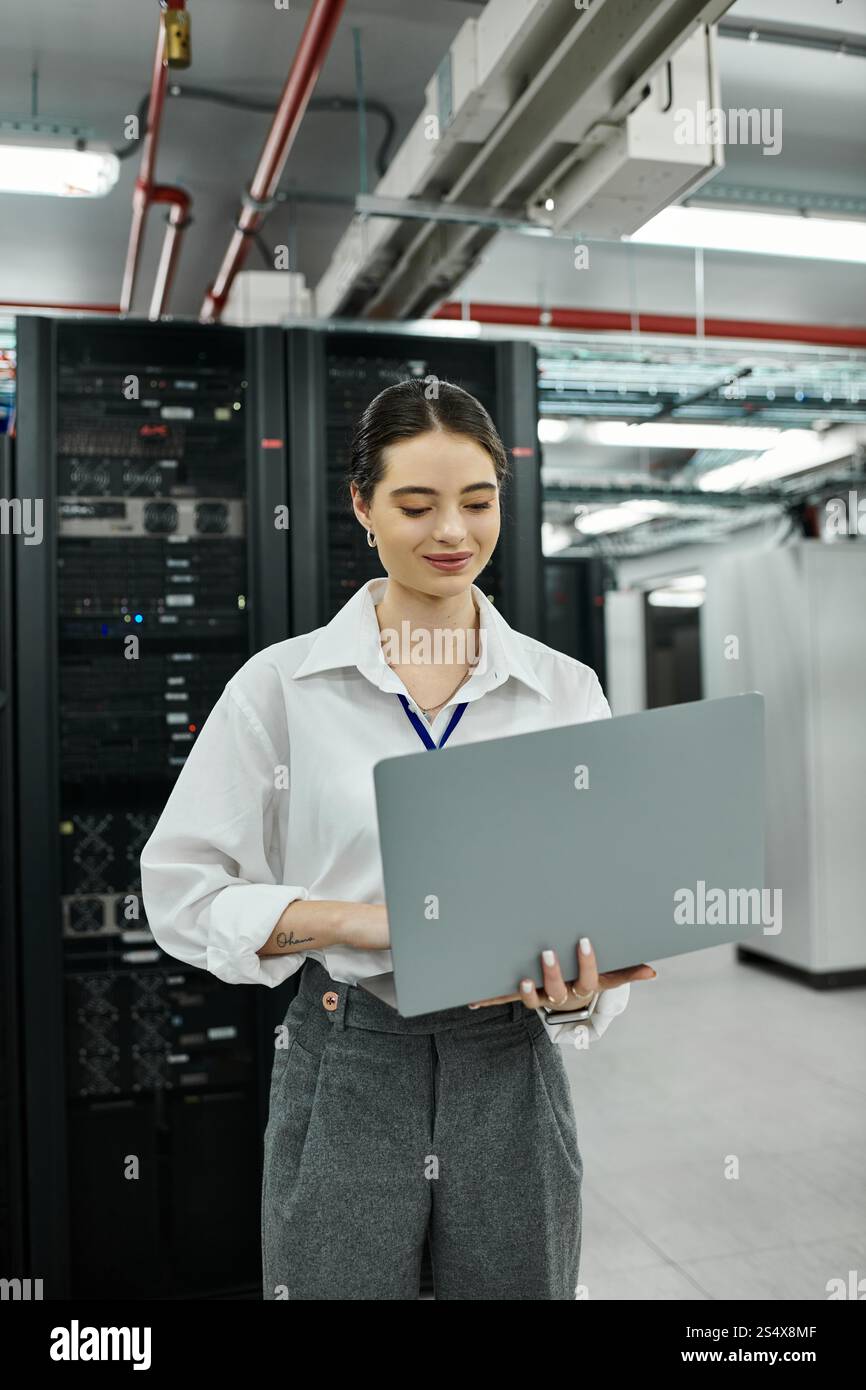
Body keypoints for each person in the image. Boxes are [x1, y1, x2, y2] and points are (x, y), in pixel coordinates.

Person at [140, 377, 657, 1301]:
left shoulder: (562, 690)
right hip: (347, 1055)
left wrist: (581, 993)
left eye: (478, 501)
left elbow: (598, 898)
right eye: (417, 505)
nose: (452, 533)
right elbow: (182, 893)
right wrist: (366, 924)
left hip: (509, 1057)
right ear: (362, 508)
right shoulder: (283, 687)